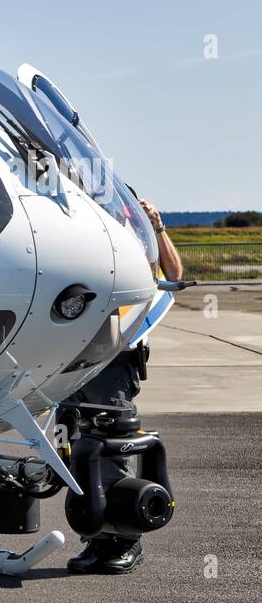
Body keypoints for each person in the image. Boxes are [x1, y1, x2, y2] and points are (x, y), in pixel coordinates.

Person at [64, 195, 183, 574]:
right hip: (69, 354)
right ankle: (97, 539)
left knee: (110, 446)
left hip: (115, 358)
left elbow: (175, 276)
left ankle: (125, 538)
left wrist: (157, 227)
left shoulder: (131, 238)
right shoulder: (83, 233)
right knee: (78, 449)